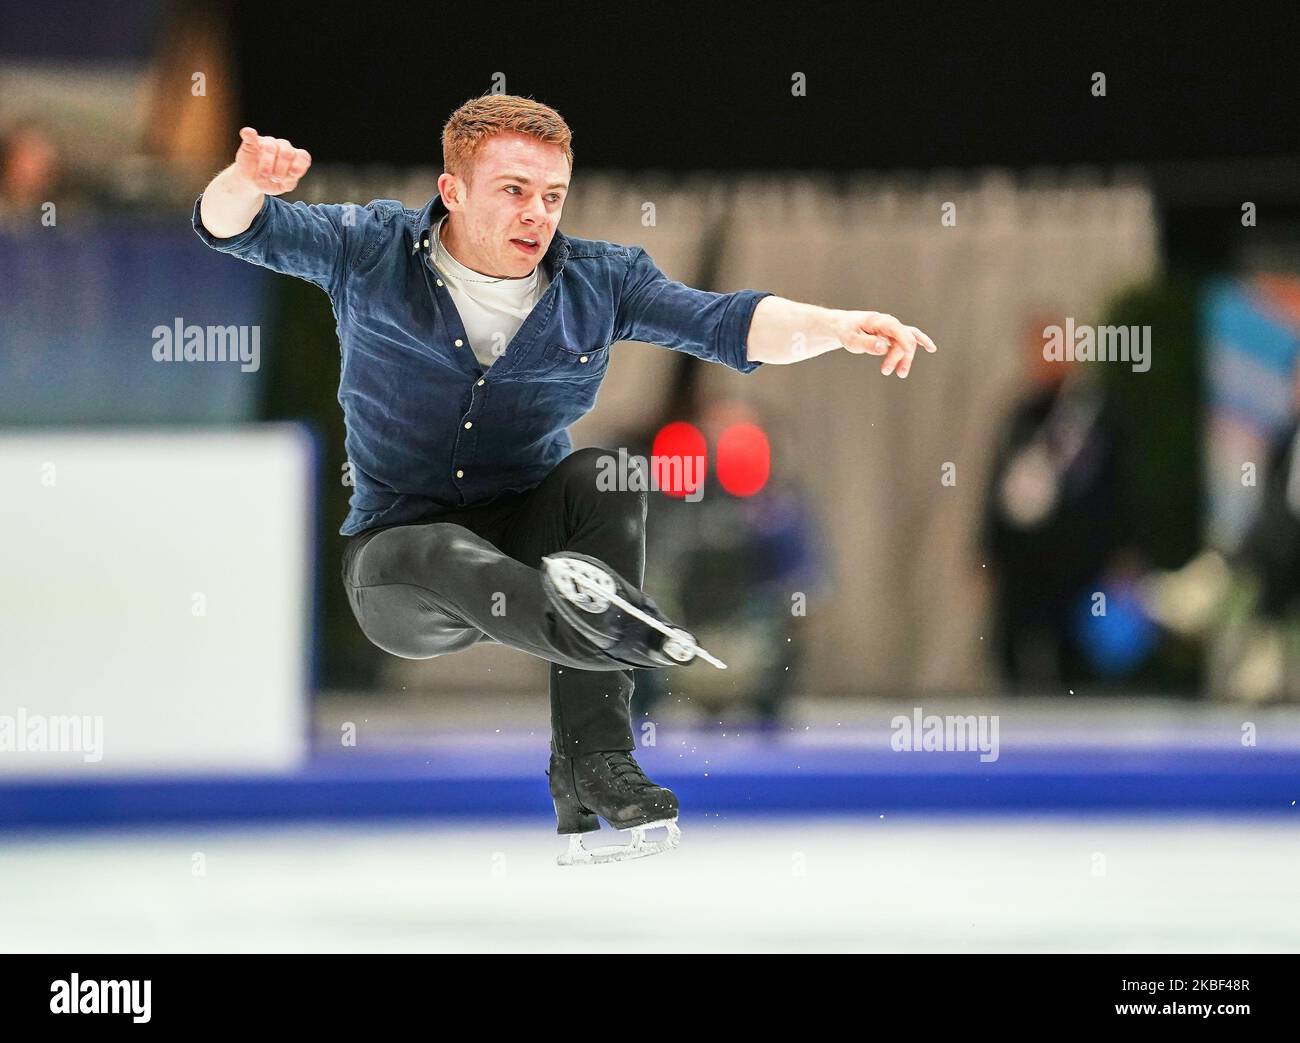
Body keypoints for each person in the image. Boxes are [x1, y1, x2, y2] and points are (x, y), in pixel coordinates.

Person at [193, 93, 937, 863]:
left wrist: (837, 326)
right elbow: (229, 225)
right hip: (400, 565)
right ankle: (594, 623)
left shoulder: (599, 282)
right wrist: (246, 179)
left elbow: (726, 323)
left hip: (529, 536)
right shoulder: (370, 248)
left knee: (605, 472)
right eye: (513, 190)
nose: (536, 214)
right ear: (452, 191)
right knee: (438, 548)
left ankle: (591, 762)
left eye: (552, 196)